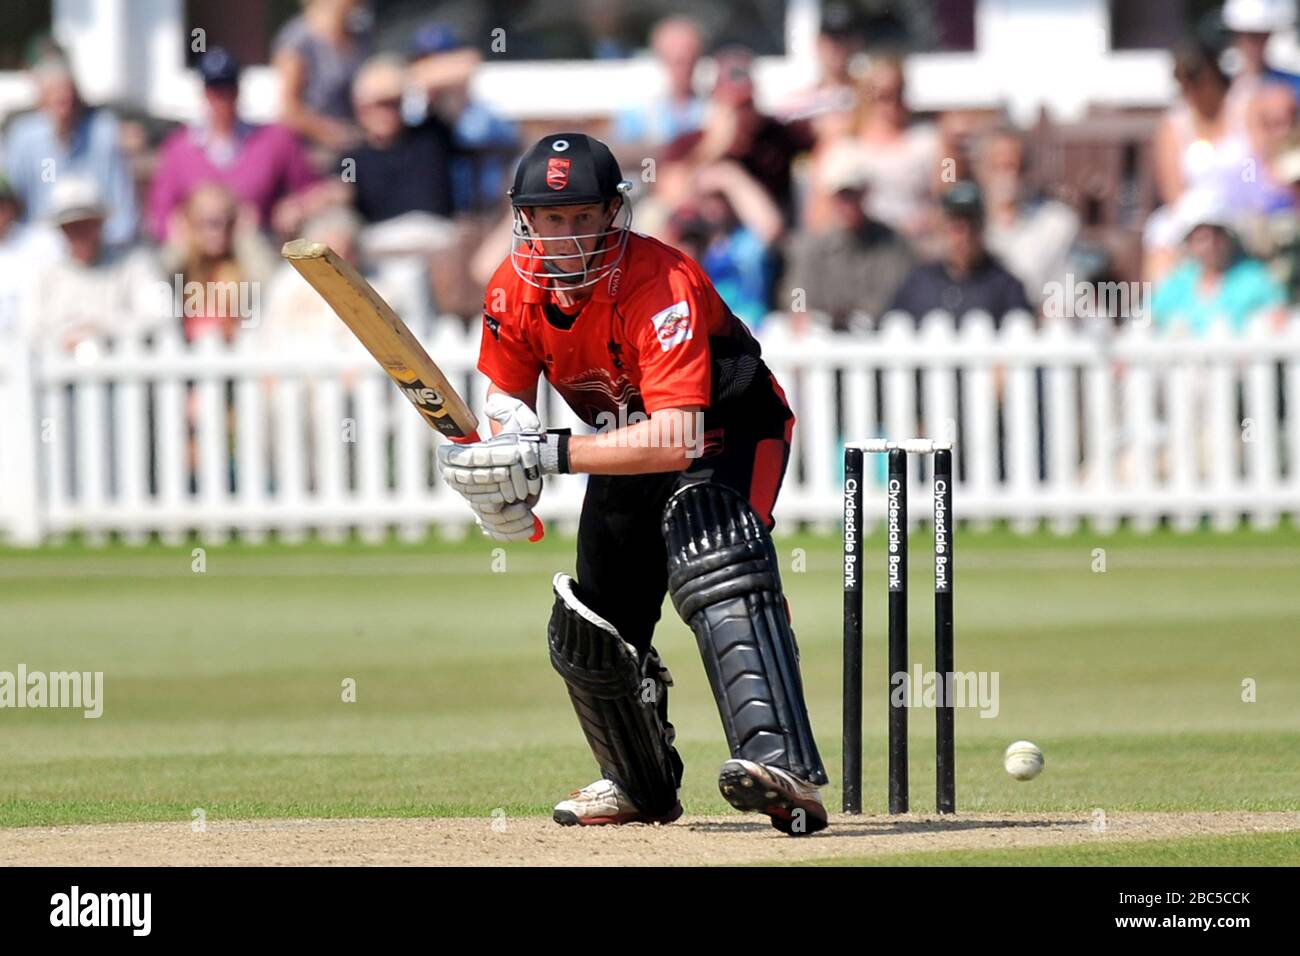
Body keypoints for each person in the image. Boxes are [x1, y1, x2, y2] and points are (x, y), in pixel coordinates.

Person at [435, 133, 828, 834]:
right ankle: (640, 782)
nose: (565, 236)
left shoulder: (660, 280)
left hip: (728, 433)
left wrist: (548, 456)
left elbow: (677, 434)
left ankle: (783, 766)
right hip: (624, 441)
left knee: (717, 557)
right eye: (549, 219)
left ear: (613, 213)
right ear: (524, 220)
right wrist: (501, 474)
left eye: (582, 216)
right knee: (595, 618)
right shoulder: (509, 288)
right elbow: (506, 404)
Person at [147, 48, 321, 240]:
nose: (222, 98)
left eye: (228, 89)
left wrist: (295, 207)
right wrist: (183, 227)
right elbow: (160, 213)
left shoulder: (274, 140)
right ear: (205, 93)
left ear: (238, 90)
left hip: (256, 243)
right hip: (195, 254)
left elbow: (310, 190)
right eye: (215, 90)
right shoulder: (178, 148)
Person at [4, 50, 137, 248]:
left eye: (68, 95)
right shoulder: (24, 138)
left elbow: (124, 215)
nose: (64, 105)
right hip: (40, 251)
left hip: (100, 247)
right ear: (41, 99)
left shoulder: (102, 133)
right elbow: (11, 204)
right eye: (56, 98)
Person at [779, 150, 913, 329]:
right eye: (842, 196)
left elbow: (892, 296)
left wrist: (852, 315)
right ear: (832, 198)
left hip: (877, 339)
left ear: (865, 194)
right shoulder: (813, 247)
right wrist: (802, 312)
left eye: (853, 195)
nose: (847, 205)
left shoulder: (891, 244)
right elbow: (796, 294)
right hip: (821, 340)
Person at [888, 181, 1030, 328]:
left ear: (982, 227)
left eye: (972, 226)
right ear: (942, 227)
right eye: (956, 227)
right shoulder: (918, 284)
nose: (964, 236)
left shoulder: (1006, 287)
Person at [1152, 190, 1285, 335]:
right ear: (1189, 242)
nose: (1211, 244)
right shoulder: (1176, 283)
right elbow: (1148, 321)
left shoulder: (1256, 279)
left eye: (1217, 234)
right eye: (1201, 238)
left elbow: (1278, 320)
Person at [974, 126, 1080, 307]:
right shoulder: (968, 228)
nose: (1008, 176)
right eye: (998, 167)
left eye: (1014, 166)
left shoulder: (1056, 223)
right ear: (981, 171)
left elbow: (1069, 289)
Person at [273, 0, 372, 154]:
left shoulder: (360, 36)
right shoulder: (298, 39)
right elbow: (289, 109)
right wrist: (335, 135)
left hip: (356, 144)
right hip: (314, 151)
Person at [611, 16, 707, 147]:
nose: (685, 68)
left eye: (691, 60)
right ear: (661, 59)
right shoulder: (639, 111)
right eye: (678, 61)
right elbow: (623, 154)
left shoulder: (711, 109)